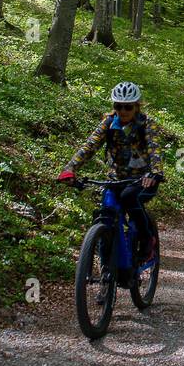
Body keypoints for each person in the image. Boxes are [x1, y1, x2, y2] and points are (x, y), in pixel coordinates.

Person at [58, 81, 163, 264]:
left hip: (144, 179)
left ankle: (147, 240)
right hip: (116, 179)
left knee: (130, 197)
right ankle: (105, 257)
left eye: (128, 107)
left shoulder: (147, 124)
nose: (123, 111)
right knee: (106, 208)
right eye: (118, 106)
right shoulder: (108, 123)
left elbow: (155, 150)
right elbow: (90, 146)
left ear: (136, 106)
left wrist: (155, 173)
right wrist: (70, 169)